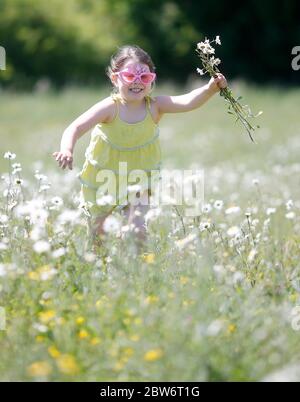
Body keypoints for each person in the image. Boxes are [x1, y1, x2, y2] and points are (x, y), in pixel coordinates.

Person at [52, 44, 227, 249]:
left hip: (138, 178)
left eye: (144, 78)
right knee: (98, 237)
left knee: (138, 231)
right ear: (115, 78)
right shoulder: (110, 107)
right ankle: (102, 270)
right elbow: (75, 127)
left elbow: (188, 101)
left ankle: (138, 271)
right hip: (103, 178)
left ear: (151, 80)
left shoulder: (155, 106)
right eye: (129, 76)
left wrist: (210, 89)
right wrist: (67, 149)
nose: (137, 82)